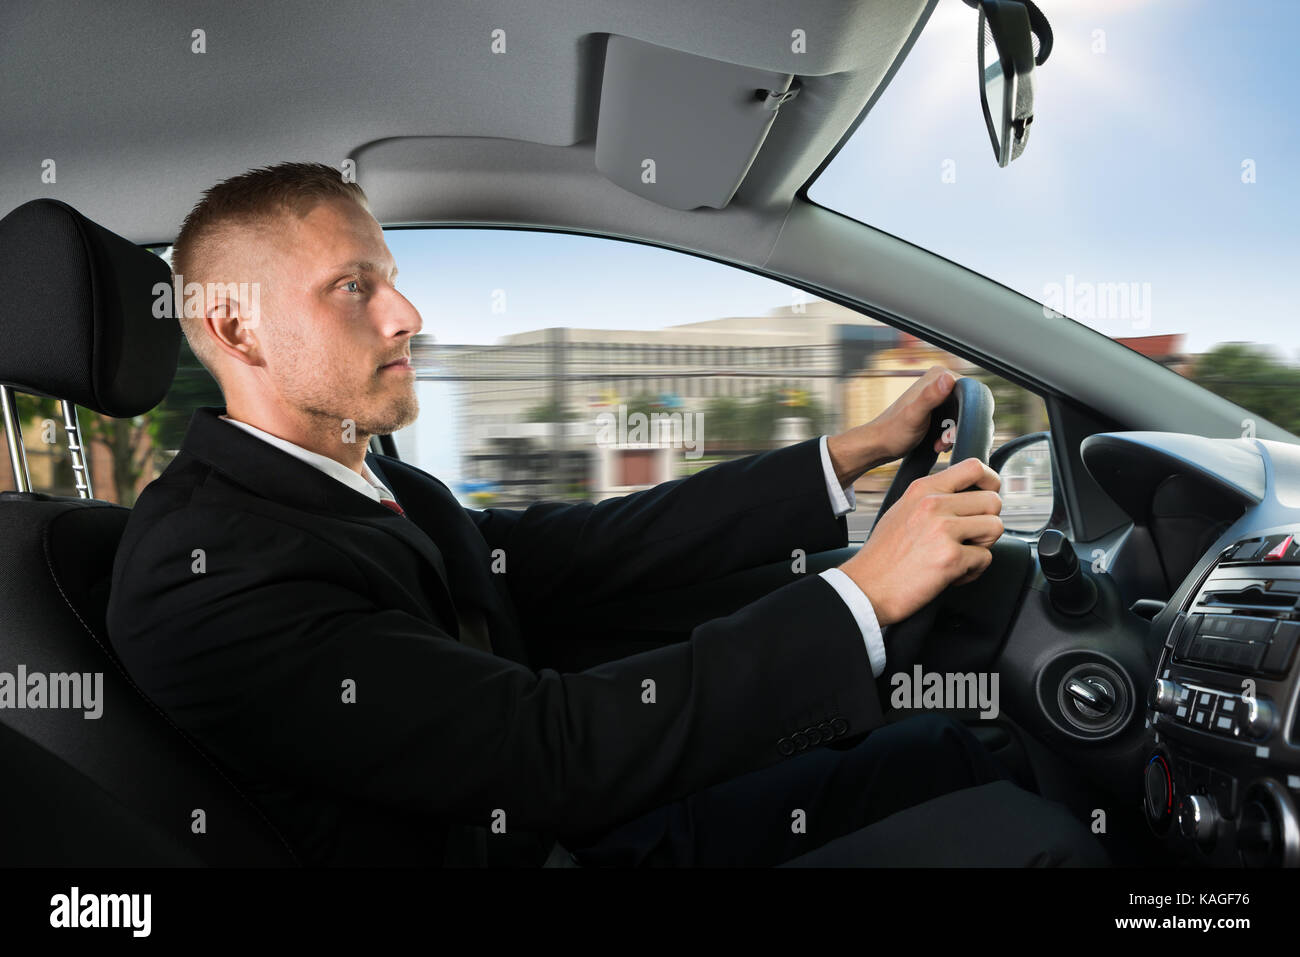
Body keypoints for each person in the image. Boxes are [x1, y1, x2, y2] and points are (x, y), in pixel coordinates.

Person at [106, 162, 1105, 867]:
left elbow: (596, 549)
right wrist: (865, 591)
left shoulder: (375, 482)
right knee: (1036, 847)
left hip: (580, 834)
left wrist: (851, 452)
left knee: (949, 752)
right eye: (351, 286)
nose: (406, 314)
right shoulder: (203, 567)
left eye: (394, 281)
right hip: (541, 844)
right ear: (236, 324)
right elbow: (546, 754)